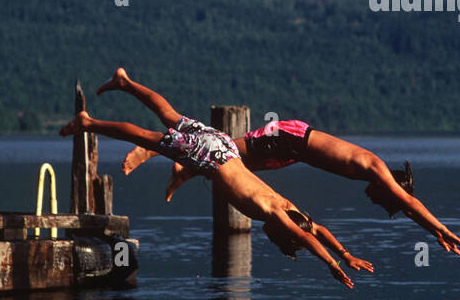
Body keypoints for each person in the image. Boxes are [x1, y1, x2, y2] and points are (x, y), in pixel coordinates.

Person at [59, 73, 371, 288]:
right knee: (146, 137)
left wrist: (346, 254)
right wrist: (333, 264)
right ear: (282, 230)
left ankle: (125, 82)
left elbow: (316, 230)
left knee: (169, 115)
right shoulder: (277, 214)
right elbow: (308, 238)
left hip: (223, 145)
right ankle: (89, 122)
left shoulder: (292, 209)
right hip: (210, 157)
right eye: (277, 239)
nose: (271, 236)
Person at [109, 70, 460, 255]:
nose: (376, 201)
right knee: (220, 150)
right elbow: (409, 203)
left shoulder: (373, 174)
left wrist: (435, 234)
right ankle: (155, 149)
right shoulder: (374, 167)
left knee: (227, 161)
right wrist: (444, 230)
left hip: (292, 151)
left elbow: (406, 206)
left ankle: (180, 165)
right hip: (292, 139)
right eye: (384, 201)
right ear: (387, 187)